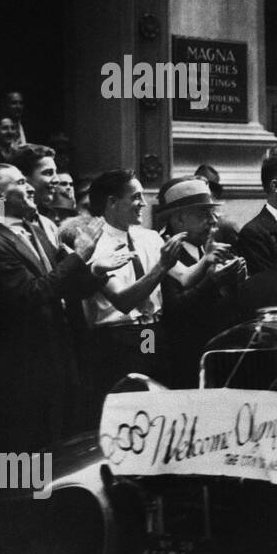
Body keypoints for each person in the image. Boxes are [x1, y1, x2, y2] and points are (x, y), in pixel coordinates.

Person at [0, 164, 132, 453]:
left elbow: (68, 288)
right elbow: (32, 295)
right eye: (21, 182)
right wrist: (80, 254)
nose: (31, 187)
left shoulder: (35, 231)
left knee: (67, 445)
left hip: (61, 358)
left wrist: (95, 271)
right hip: (28, 367)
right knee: (38, 449)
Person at [82, 170, 186, 400]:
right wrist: (161, 267)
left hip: (149, 333)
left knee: (157, 396)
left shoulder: (148, 237)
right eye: (136, 197)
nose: (143, 203)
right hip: (120, 340)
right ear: (112, 202)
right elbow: (124, 301)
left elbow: (185, 278)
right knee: (129, 402)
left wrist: (209, 261)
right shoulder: (95, 247)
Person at [157, 177, 247, 385]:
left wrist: (236, 282)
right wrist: (213, 282)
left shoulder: (209, 249)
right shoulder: (166, 256)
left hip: (216, 360)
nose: (214, 220)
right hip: (185, 365)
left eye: (213, 213)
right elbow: (174, 311)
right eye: (204, 214)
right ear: (179, 219)